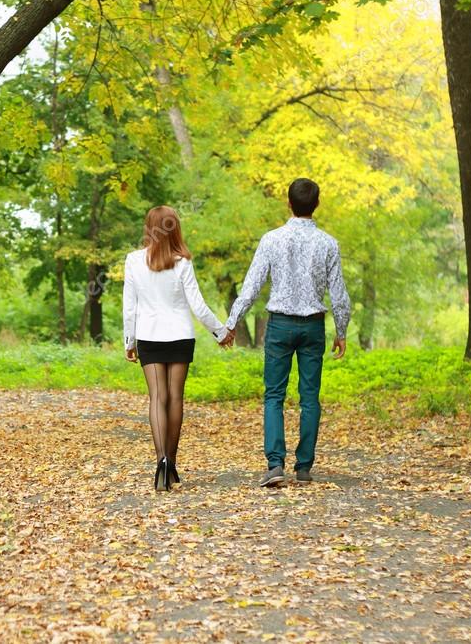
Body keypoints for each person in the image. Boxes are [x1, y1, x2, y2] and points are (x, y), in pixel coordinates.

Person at [220, 178, 351, 487]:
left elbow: (251, 286)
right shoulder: (328, 243)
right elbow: (339, 294)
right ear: (316, 204)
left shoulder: (272, 239)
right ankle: (303, 467)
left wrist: (232, 322)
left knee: (274, 395)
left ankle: (275, 464)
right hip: (313, 326)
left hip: (279, 325)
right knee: (310, 397)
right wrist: (341, 330)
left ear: (289, 203)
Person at [122, 206, 230, 491]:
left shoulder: (133, 261)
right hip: (180, 335)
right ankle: (171, 463)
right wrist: (220, 332)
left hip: (149, 335)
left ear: (149, 227)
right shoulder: (182, 262)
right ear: (175, 228)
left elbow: (130, 307)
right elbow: (198, 305)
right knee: (175, 398)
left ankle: (160, 461)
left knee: (158, 397)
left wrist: (129, 341)